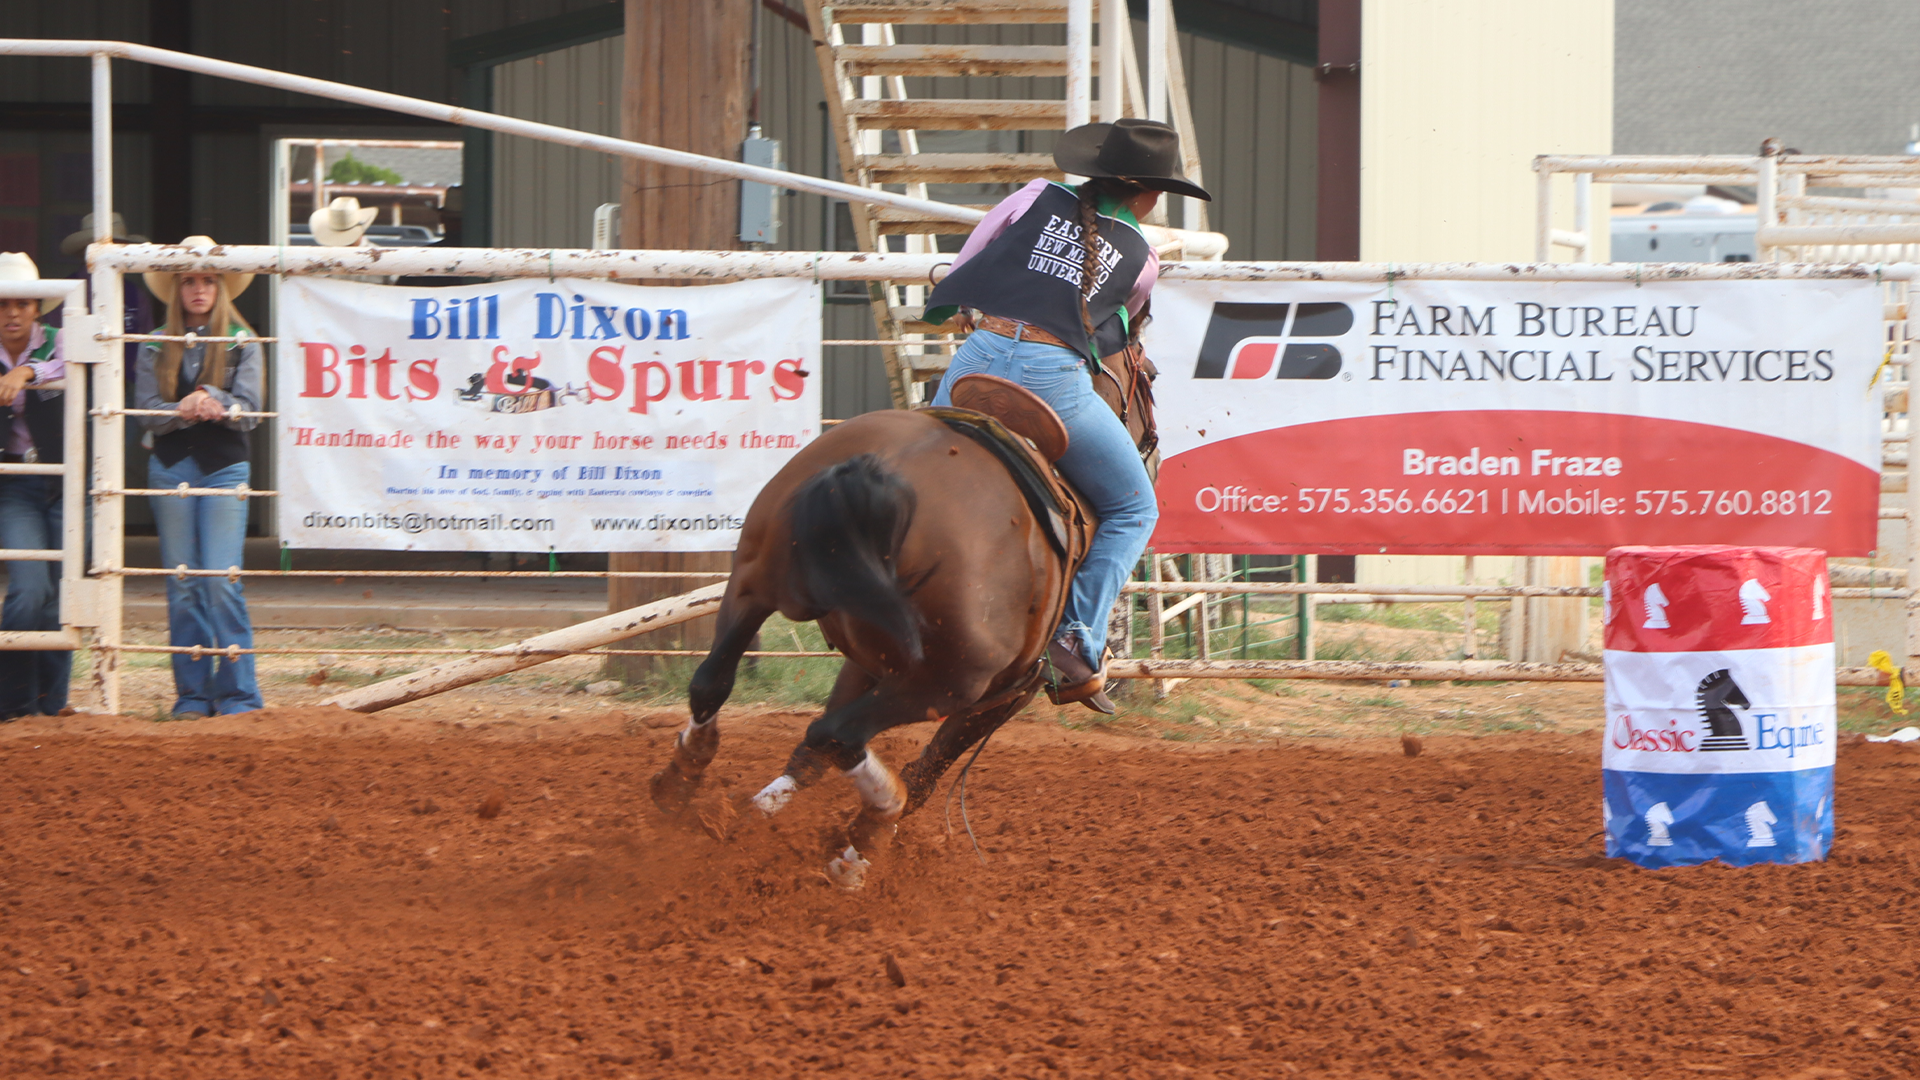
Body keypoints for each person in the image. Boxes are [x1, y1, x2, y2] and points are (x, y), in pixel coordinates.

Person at [922, 118, 1211, 712]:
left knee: (921, 475)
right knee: (1134, 509)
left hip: (976, 358)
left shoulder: (1033, 195)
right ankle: (1075, 639)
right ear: (1143, 193)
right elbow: (1113, 333)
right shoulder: (1142, 258)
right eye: (1158, 191)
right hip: (1051, 376)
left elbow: (968, 264)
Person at [135, 238, 265, 718]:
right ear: (176, 288)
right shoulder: (153, 343)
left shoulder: (243, 340)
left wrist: (212, 395)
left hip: (224, 468)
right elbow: (145, 412)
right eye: (188, 279)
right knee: (184, 580)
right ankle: (192, 695)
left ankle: (238, 695)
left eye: (208, 279)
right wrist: (183, 408)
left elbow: (251, 412)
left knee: (220, 579)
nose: (198, 288)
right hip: (171, 468)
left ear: (220, 286)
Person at [0, 252, 70, 719]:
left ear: (37, 308)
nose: (12, 313)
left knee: (59, 596)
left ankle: (50, 706)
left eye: (22, 304)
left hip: (64, 476)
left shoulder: (59, 339)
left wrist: (25, 372)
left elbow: (71, 365)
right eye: (4, 304)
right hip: (16, 481)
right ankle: (13, 705)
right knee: (29, 588)